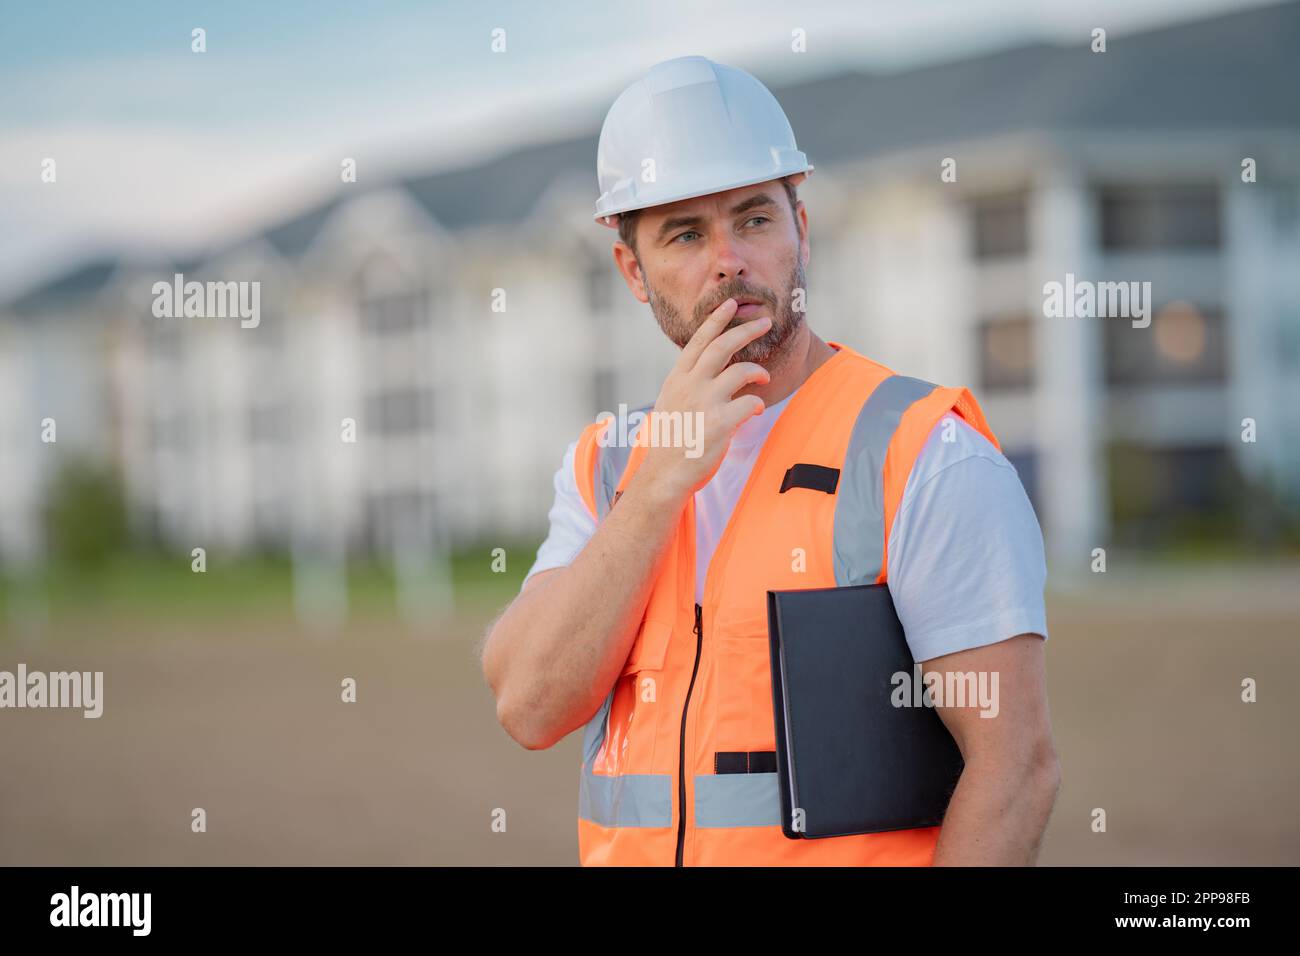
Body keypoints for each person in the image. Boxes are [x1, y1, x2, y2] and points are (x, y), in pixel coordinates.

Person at [481, 55, 1059, 866]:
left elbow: (1015, 771)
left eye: (754, 219)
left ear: (802, 231)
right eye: (685, 234)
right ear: (632, 271)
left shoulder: (923, 454)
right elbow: (531, 705)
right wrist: (658, 487)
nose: (729, 260)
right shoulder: (609, 465)